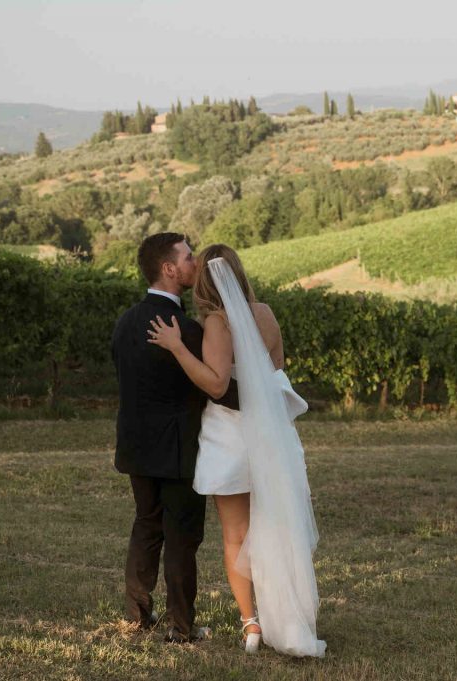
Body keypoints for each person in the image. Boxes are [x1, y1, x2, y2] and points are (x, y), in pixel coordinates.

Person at [147, 244, 326, 657]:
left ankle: (252, 624)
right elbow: (276, 370)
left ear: (205, 282)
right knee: (278, 528)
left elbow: (215, 384)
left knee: (235, 535)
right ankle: (290, 616)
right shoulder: (264, 313)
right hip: (271, 437)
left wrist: (176, 346)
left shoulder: (215, 322)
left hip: (230, 438)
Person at [111, 232, 211, 644]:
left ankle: (137, 615)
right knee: (182, 535)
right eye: (188, 258)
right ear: (169, 268)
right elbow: (210, 387)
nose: (194, 264)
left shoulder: (125, 323)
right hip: (178, 447)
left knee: (146, 526)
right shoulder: (184, 330)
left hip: (136, 444)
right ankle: (181, 627)